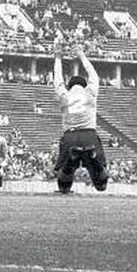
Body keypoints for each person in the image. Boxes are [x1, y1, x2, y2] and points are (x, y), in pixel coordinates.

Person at [52, 36, 108, 194]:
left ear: (69, 86)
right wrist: (81, 55)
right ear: (84, 85)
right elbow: (94, 76)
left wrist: (57, 57)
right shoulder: (90, 92)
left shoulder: (64, 95)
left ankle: (71, 161)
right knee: (101, 185)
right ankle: (93, 161)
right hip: (89, 134)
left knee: (63, 186)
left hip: (70, 135)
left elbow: (57, 80)